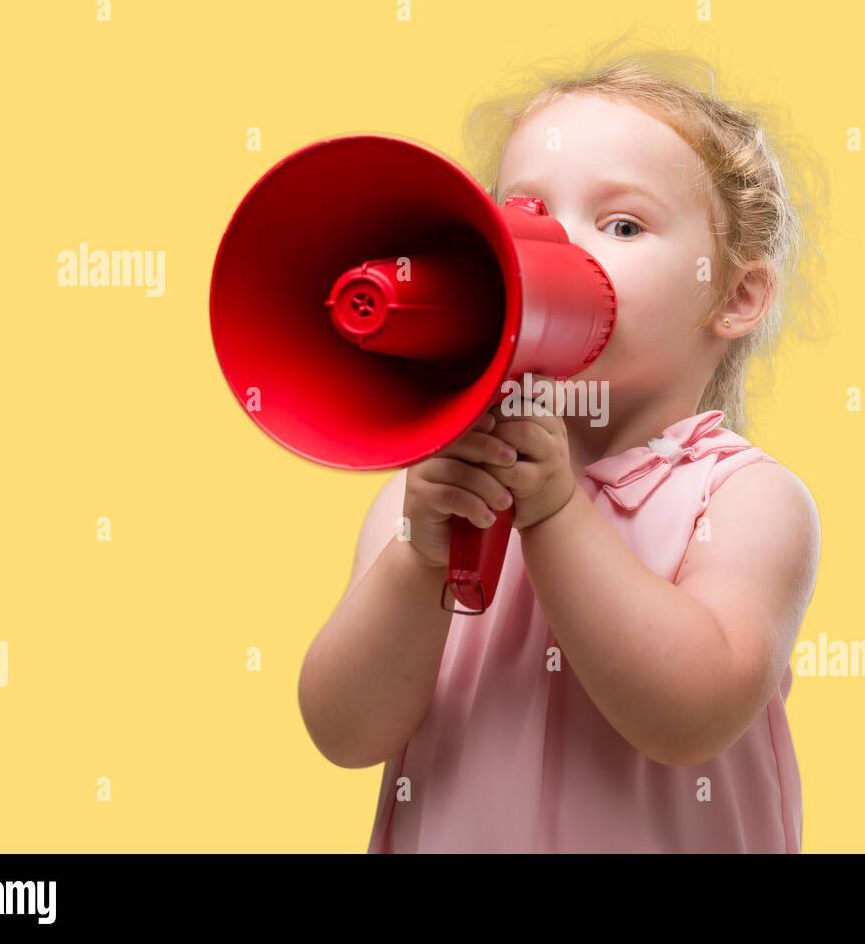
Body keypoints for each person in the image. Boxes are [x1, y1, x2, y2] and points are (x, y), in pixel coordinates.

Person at [299, 43, 828, 852]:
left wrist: (553, 511)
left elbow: (689, 713)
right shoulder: (433, 491)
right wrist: (418, 561)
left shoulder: (742, 501)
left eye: (621, 223)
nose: (558, 250)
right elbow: (344, 729)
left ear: (735, 294)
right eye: (528, 216)